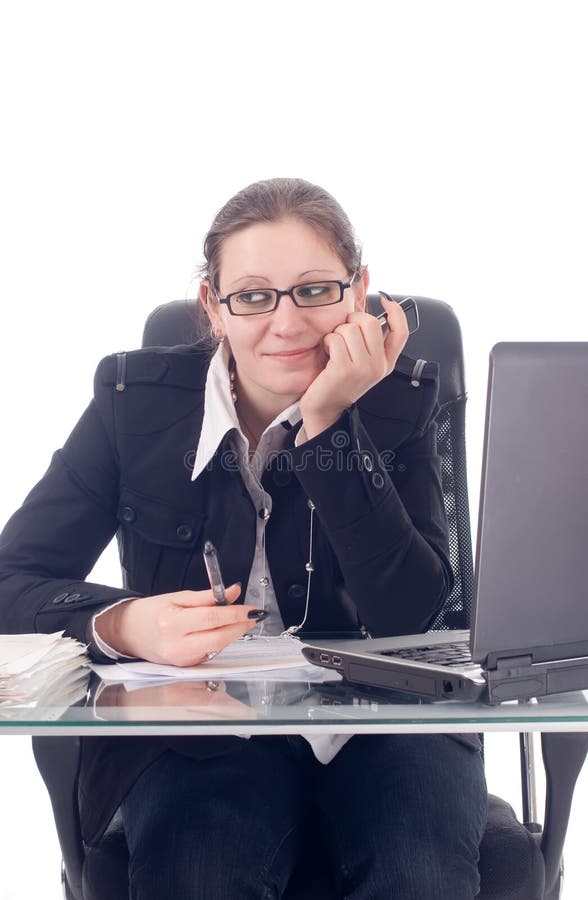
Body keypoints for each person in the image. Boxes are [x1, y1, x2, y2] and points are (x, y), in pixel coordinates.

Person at [0, 177, 487, 899]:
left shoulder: (404, 399)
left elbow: (413, 615)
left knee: (416, 873)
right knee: (198, 870)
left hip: (391, 726)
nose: (286, 325)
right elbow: (13, 580)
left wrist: (329, 423)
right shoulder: (131, 405)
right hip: (202, 726)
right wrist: (125, 622)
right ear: (212, 307)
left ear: (360, 292)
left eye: (315, 290)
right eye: (253, 296)